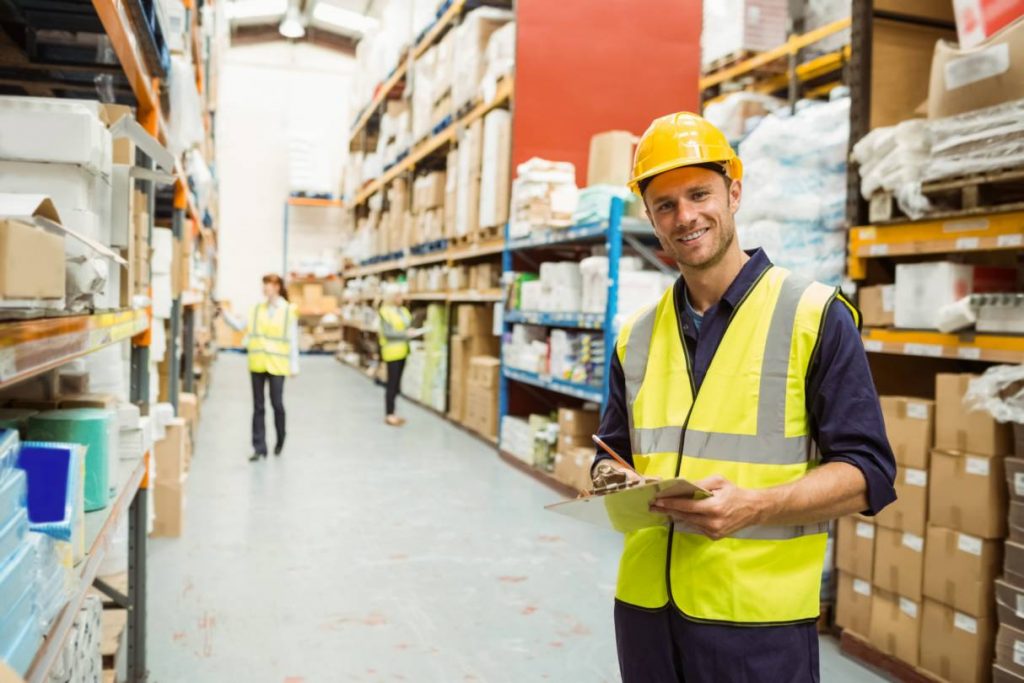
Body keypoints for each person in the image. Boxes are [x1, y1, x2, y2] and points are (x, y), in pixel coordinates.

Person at [591, 112, 897, 682]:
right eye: (665, 204)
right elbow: (609, 454)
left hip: (756, 625)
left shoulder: (814, 317)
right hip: (646, 616)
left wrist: (755, 506)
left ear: (733, 192)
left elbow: (869, 473)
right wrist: (613, 480)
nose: (685, 216)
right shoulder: (634, 336)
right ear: (652, 221)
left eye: (699, 194)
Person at [221, 274, 299, 461]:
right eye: (264, 285)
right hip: (257, 363)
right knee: (258, 406)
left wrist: (294, 365)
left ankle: (280, 439)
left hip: (278, 365)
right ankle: (259, 447)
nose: (265, 288)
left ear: (277, 287)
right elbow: (239, 326)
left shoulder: (288, 311)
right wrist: (224, 314)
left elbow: (293, 339)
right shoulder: (256, 309)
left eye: (269, 285)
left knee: (277, 404)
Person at [377, 285, 424, 427]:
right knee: (391, 384)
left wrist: (411, 331)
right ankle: (389, 414)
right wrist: (405, 334)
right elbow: (387, 333)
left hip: (404, 350)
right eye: (398, 296)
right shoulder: (385, 312)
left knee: (397, 384)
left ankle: (393, 413)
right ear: (391, 297)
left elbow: (406, 326)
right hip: (391, 352)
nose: (401, 298)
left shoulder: (403, 311)